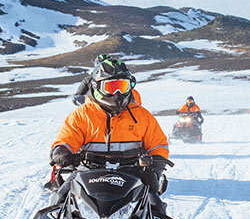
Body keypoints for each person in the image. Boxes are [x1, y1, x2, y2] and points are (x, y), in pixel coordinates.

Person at [51, 55, 169, 210]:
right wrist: (62, 150)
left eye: (123, 86)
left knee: (156, 208)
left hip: (132, 173)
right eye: (111, 87)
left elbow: (158, 145)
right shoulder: (81, 115)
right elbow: (66, 138)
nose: (118, 93)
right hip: (87, 171)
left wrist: (155, 169)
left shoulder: (142, 115)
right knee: (58, 202)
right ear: (97, 86)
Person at [72, 53, 142, 106]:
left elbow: (132, 102)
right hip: (95, 110)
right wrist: (89, 101)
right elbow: (76, 98)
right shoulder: (88, 80)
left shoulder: (123, 79)